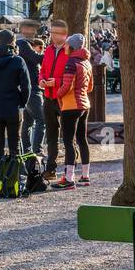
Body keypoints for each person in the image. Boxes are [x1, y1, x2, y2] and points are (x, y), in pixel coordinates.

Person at [0, 29, 32, 180]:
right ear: (12, 42)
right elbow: (26, 87)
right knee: (14, 145)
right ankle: (13, 178)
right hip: (12, 108)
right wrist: (21, 102)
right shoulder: (17, 61)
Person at [52, 33, 93, 189]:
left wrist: (57, 95)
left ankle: (69, 178)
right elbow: (90, 87)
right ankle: (85, 175)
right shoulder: (86, 62)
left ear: (72, 46)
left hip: (71, 105)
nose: (65, 47)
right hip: (84, 104)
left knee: (69, 141)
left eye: (67, 44)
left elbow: (66, 85)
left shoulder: (71, 62)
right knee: (82, 139)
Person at [37, 20, 70, 180]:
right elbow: (42, 70)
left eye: (54, 32)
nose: (51, 35)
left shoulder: (70, 50)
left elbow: (72, 75)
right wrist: (41, 80)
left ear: (63, 34)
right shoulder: (49, 50)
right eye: (51, 32)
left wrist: (55, 82)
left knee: (68, 135)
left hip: (64, 98)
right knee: (51, 136)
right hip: (49, 97)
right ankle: (51, 169)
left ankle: (70, 169)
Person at [15, 18, 47, 175]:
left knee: (27, 122)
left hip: (26, 89)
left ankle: (27, 151)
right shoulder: (23, 44)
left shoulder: (20, 45)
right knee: (42, 120)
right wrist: (50, 52)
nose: (34, 31)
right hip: (33, 89)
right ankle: (37, 151)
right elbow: (37, 58)